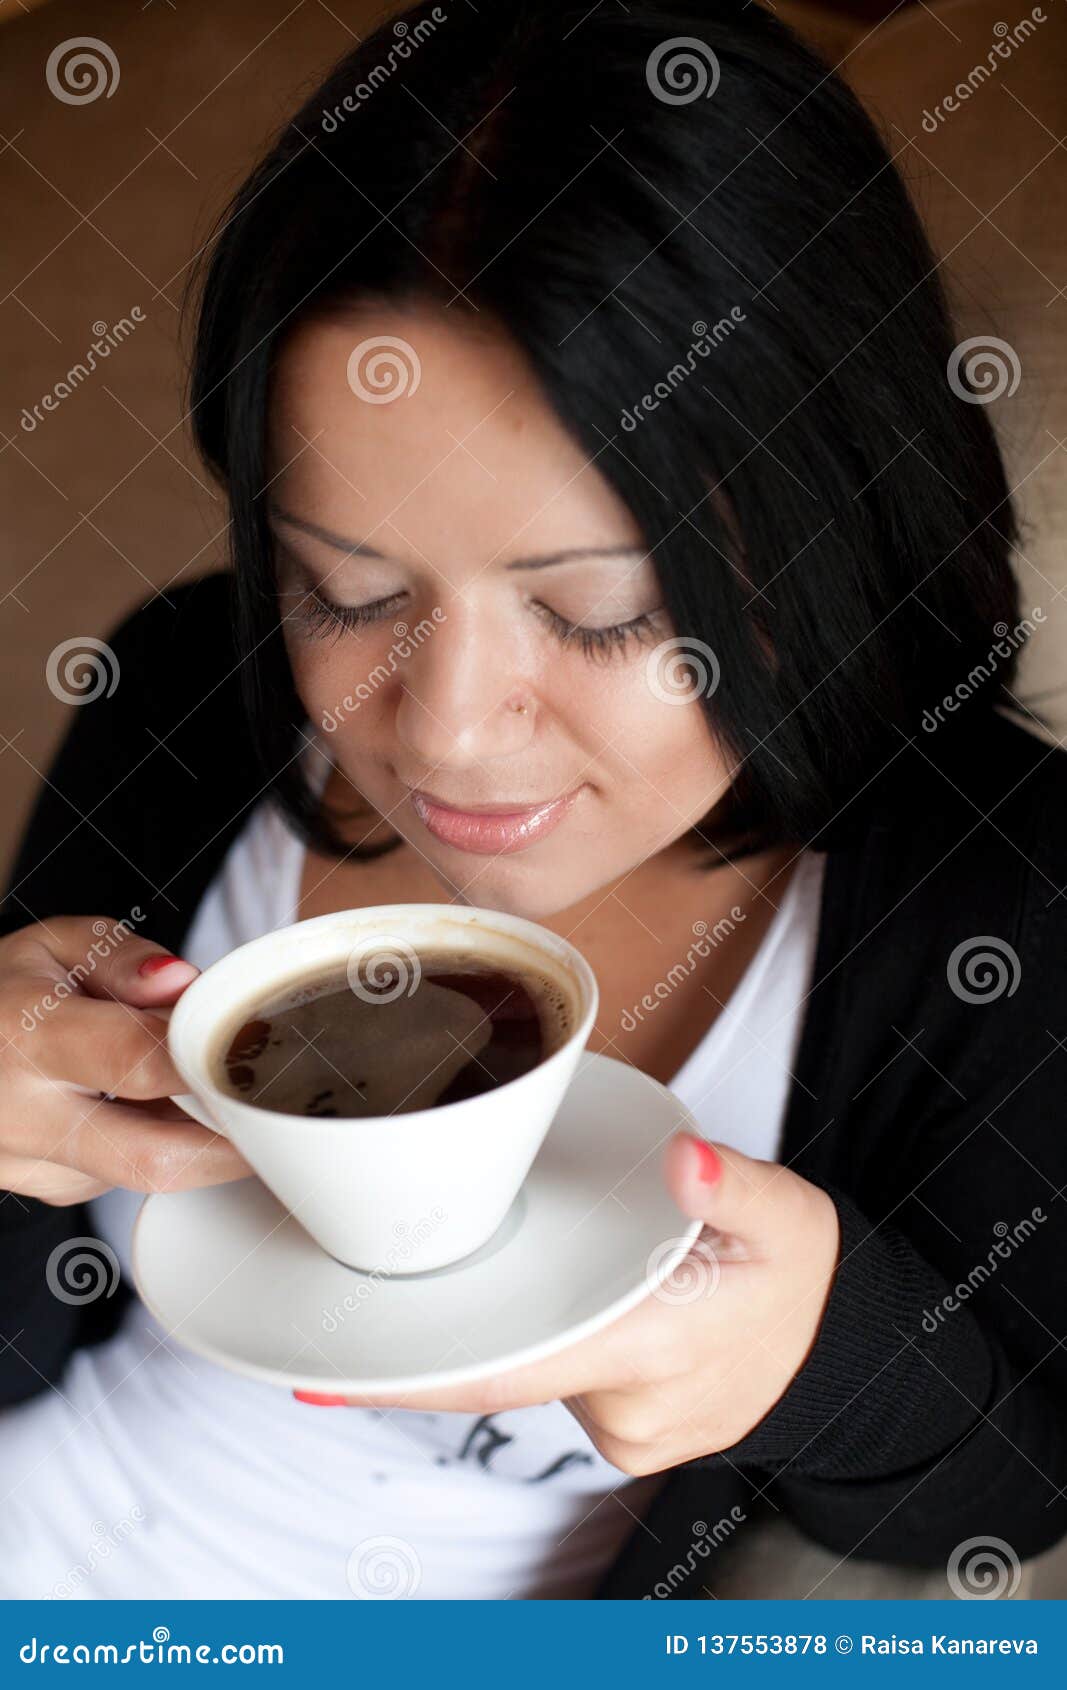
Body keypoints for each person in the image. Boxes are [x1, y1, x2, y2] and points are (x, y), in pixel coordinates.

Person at [1, 0, 1064, 1601]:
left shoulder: (1001, 895)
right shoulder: (181, 701)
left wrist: (823, 1343)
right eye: (345, 593)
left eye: (599, 613)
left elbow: (993, 1494)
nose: (445, 738)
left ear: (824, 537)